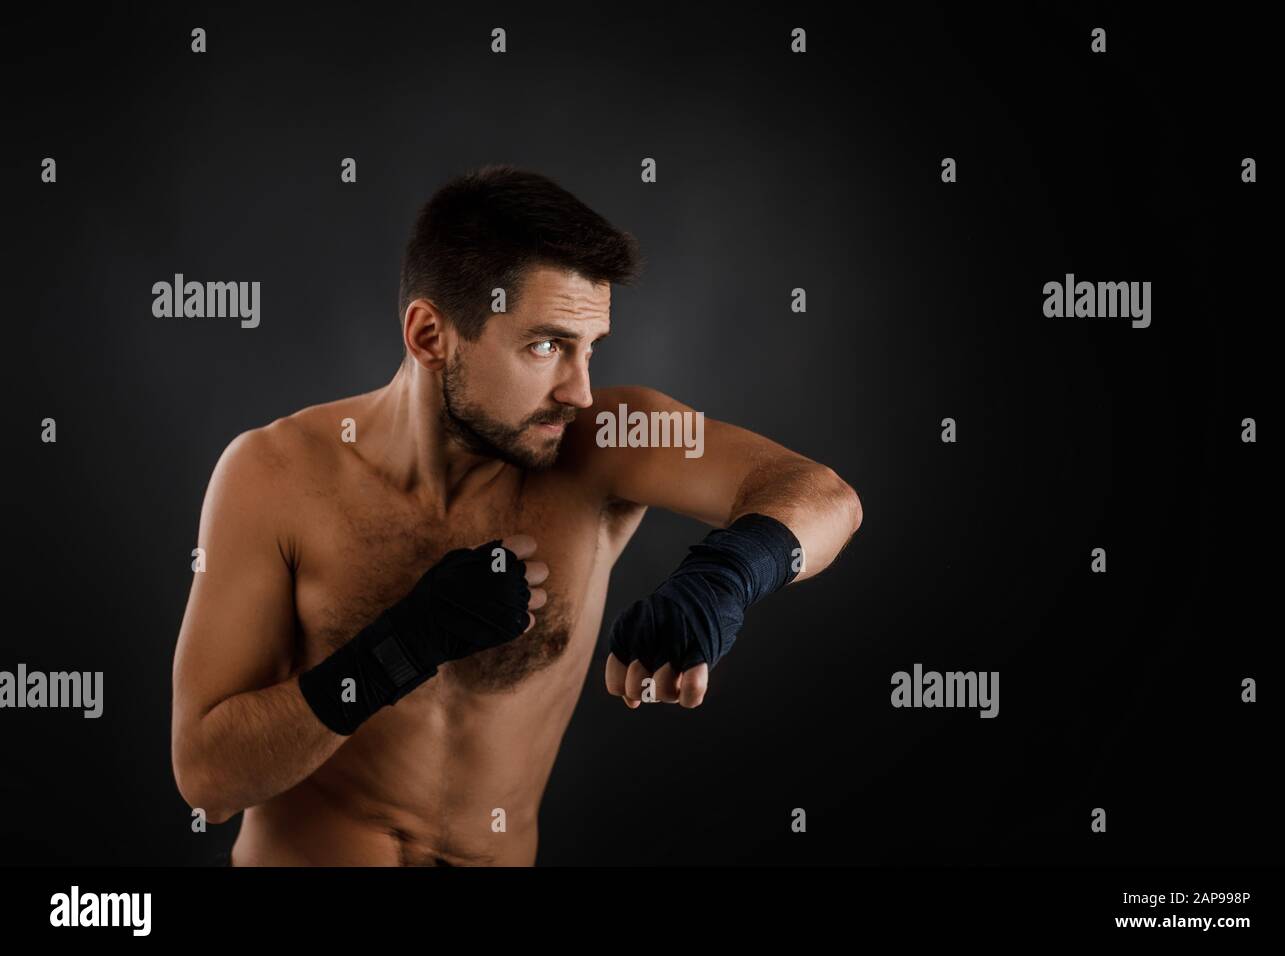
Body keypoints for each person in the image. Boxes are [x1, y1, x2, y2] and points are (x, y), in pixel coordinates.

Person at [170, 165, 862, 865]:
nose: (580, 392)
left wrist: (730, 575)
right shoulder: (275, 474)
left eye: (591, 348)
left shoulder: (599, 447)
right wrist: (402, 647)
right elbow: (208, 781)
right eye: (547, 345)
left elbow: (825, 496)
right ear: (430, 336)